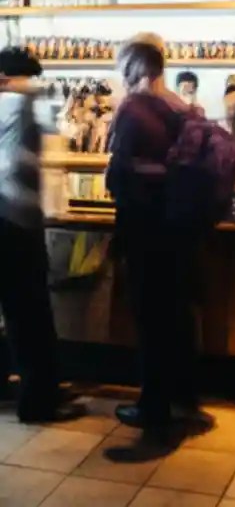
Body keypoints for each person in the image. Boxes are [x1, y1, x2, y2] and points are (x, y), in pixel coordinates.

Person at [106, 40, 205, 440]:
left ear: (135, 68)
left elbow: (120, 175)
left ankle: (153, 405)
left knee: (150, 318)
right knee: (177, 313)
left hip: (145, 228)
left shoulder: (133, 108)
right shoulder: (182, 108)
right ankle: (183, 396)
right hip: (179, 228)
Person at [0, 47, 86, 423]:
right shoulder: (17, 106)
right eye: (28, 78)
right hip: (15, 224)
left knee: (12, 312)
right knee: (30, 313)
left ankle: (14, 387)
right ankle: (39, 402)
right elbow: (15, 168)